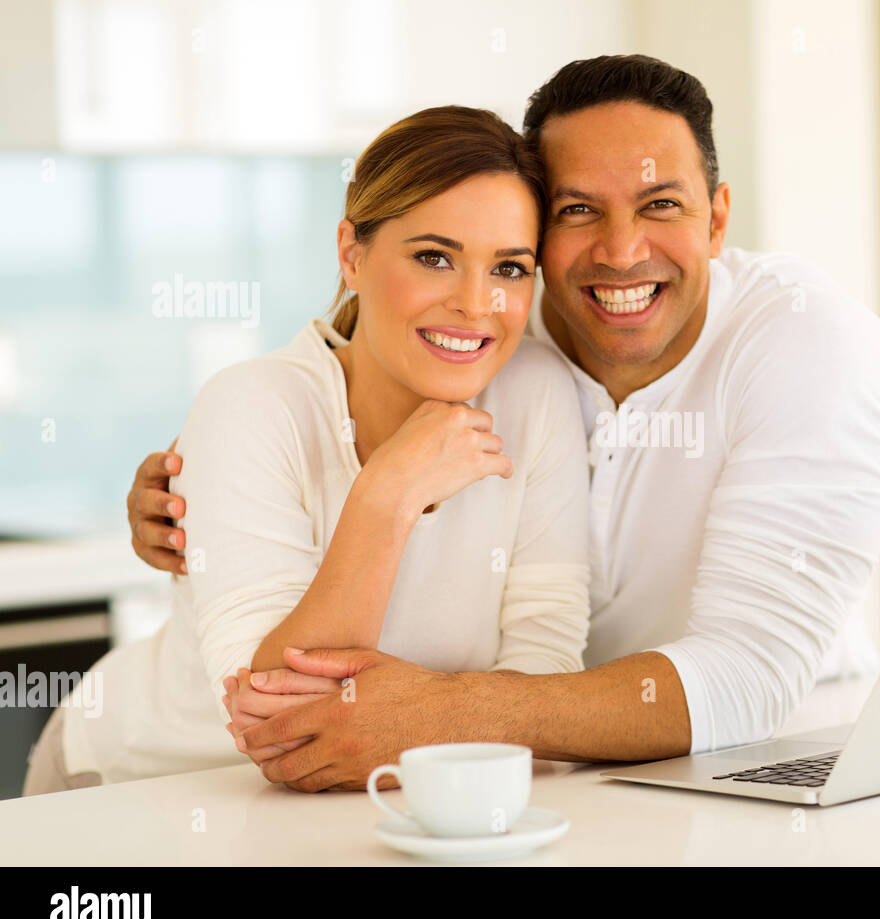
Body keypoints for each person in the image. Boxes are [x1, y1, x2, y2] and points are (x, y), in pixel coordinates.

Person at [125, 54, 880, 793]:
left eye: (661, 204)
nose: (622, 250)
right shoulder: (495, 341)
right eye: (577, 211)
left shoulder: (810, 345)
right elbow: (301, 399)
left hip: (749, 743)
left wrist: (443, 718)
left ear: (716, 219)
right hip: (412, 769)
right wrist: (197, 494)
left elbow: (743, 681)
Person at [23, 106, 591, 795]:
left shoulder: (537, 394)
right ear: (352, 254)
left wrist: (431, 733)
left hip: (376, 794)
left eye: (509, 267)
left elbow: (543, 688)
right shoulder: (251, 407)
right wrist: (387, 496)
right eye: (434, 257)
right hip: (148, 777)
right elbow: (284, 718)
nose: (477, 303)